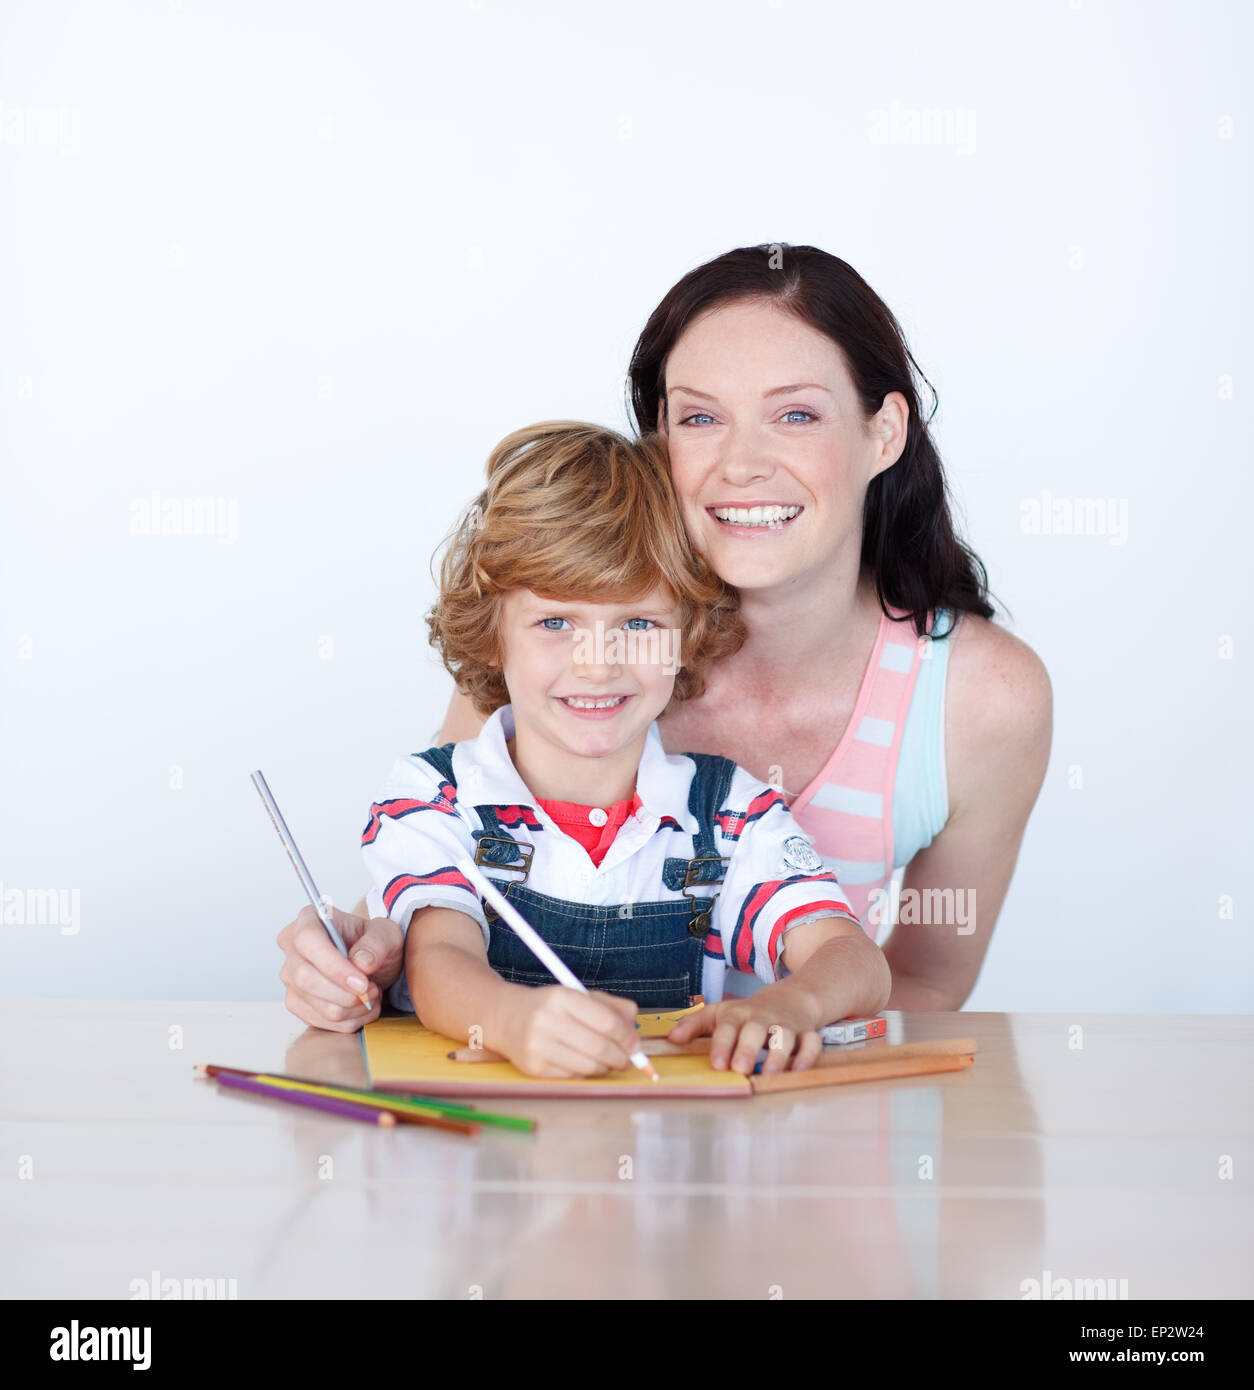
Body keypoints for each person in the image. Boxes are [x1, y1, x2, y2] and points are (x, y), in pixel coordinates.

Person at [277, 243, 1051, 1030]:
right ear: (659, 440)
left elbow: (920, 985)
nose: (742, 463)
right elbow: (426, 931)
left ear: (883, 433)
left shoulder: (981, 702)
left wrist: (768, 1064)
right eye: (701, 417)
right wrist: (353, 968)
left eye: (795, 414)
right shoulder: (549, 673)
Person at [358, 421, 889, 1077]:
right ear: (494, 636)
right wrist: (510, 1020)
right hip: (486, 1154)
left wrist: (794, 1004)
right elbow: (436, 960)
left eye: (638, 623)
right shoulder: (433, 799)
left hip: (671, 1157)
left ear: (687, 636)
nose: (597, 665)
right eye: (555, 622)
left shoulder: (728, 816)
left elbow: (854, 958)